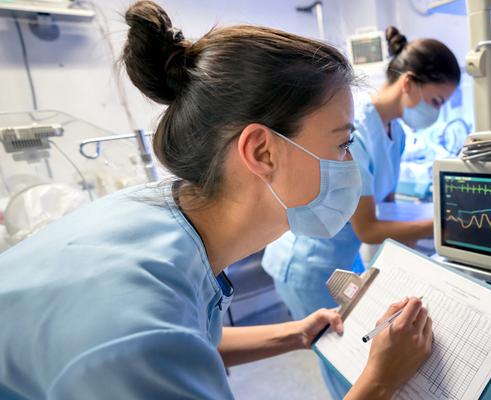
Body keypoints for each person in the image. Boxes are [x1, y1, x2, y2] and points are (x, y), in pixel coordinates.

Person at [0, 2, 432, 399]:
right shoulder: (130, 329)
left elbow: (189, 338)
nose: (351, 161)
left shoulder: (165, 216)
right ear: (262, 152)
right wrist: (379, 382)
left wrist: (295, 334)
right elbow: (153, 340)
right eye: (343, 142)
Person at [261, 26, 459, 398]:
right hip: (308, 262)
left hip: (341, 257)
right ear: (410, 83)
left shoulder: (394, 132)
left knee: (364, 349)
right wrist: (444, 228)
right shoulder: (359, 129)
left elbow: (383, 203)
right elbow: (368, 227)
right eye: (435, 102)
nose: (436, 112)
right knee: (348, 366)